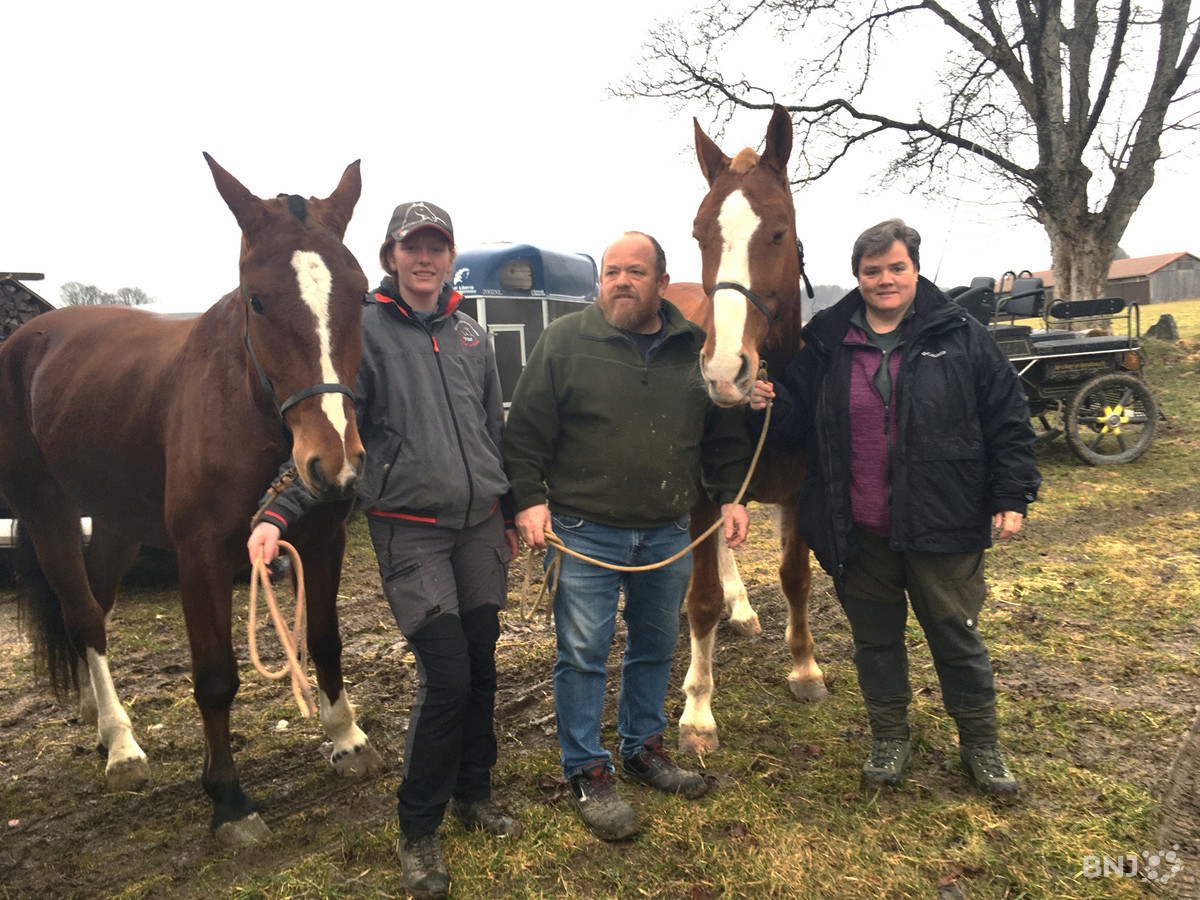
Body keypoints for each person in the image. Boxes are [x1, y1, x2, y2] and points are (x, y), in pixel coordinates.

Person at [248, 201, 521, 900]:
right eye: (412, 247)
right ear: (389, 256)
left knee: (484, 667)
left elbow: (492, 431)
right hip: (411, 529)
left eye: (437, 245)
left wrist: (515, 510)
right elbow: (331, 428)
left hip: (482, 527)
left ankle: (475, 792)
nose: (426, 258)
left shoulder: (469, 334)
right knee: (449, 675)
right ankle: (418, 829)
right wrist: (277, 513)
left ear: (449, 255)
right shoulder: (361, 330)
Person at [750, 218, 1040, 794]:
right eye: (871, 270)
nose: (884, 279)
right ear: (857, 277)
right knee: (875, 642)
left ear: (915, 269)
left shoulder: (961, 335)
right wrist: (765, 403)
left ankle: (981, 744)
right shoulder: (829, 344)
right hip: (858, 527)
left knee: (956, 637)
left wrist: (1012, 493)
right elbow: (797, 420)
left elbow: (1006, 417)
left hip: (943, 520)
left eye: (895, 268)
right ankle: (889, 736)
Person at [502, 231, 753, 841]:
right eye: (611, 271)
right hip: (583, 531)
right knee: (583, 655)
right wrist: (529, 501)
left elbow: (719, 436)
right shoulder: (565, 341)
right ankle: (587, 768)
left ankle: (643, 747)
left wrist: (729, 495)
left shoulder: (695, 348)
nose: (620, 281)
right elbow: (527, 431)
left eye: (635, 272)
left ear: (661, 284)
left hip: (669, 531)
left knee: (654, 645)